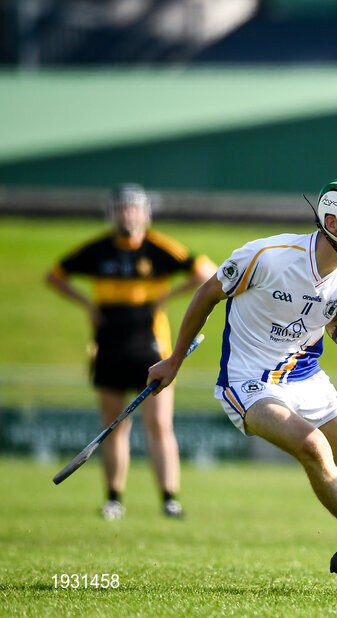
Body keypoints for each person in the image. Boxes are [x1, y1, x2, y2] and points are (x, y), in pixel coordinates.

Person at [147, 179, 337, 595]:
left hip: (306, 379)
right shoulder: (267, 256)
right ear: (332, 221)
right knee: (314, 449)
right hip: (249, 382)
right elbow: (206, 295)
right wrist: (174, 360)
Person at [46, 184, 215, 520]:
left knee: (159, 426)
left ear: (145, 213)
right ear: (112, 213)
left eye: (134, 207)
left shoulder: (158, 247)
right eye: (121, 208)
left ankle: (169, 499)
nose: (128, 214)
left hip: (151, 347)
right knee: (113, 426)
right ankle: (114, 499)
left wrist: (166, 297)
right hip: (108, 345)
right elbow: (55, 276)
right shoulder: (96, 250)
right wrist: (86, 304)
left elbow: (206, 272)